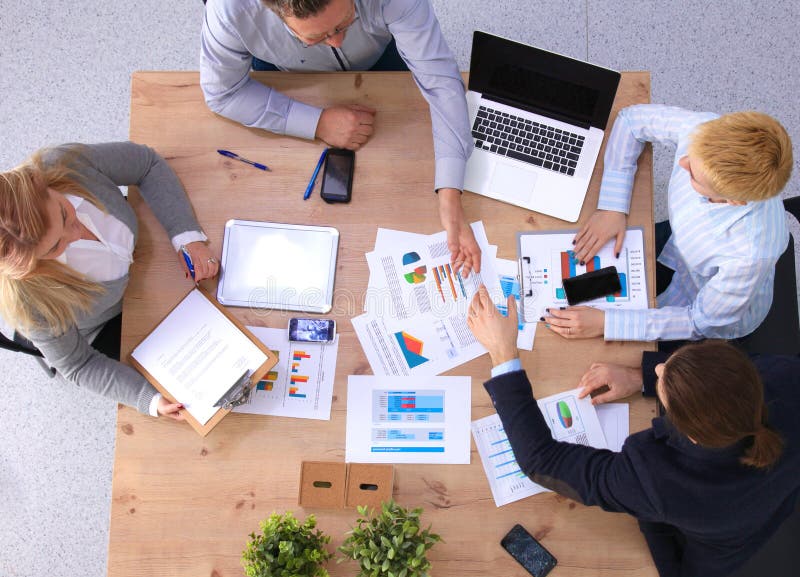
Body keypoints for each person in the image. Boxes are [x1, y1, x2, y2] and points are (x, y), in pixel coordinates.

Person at [467, 285, 800, 577]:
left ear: (692, 434)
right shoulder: (786, 375)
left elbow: (542, 461)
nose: (658, 366)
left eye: (663, 380)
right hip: (774, 491)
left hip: (707, 553)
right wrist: (642, 378)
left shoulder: (657, 479)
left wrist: (503, 354)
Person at [200, 0, 481, 275]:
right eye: (316, 36)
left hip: (381, 55)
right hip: (290, 76)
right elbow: (223, 92)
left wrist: (449, 194)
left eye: (346, 21)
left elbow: (441, 83)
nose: (336, 42)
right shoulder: (229, 10)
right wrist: (316, 122)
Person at [0, 142, 220, 420]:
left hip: (149, 265)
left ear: (43, 184)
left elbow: (147, 164)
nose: (77, 232)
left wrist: (186, 236)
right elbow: (79, 365)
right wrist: (149, 399)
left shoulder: (65, 163)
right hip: (106, 322)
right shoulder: (31, 307)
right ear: (30, 267)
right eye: (56, 246)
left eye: (65, 213)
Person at [543, 105, 792, 342]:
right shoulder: (705, 129)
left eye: (694, 174)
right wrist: (612, 206)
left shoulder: (750, 254)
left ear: (732, 201)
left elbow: (700, 321)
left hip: (705, 302)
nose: (682, 164)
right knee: (579, 283)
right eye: (691, 153)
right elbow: (631, 120)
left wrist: (607, 324)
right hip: (678, 241)